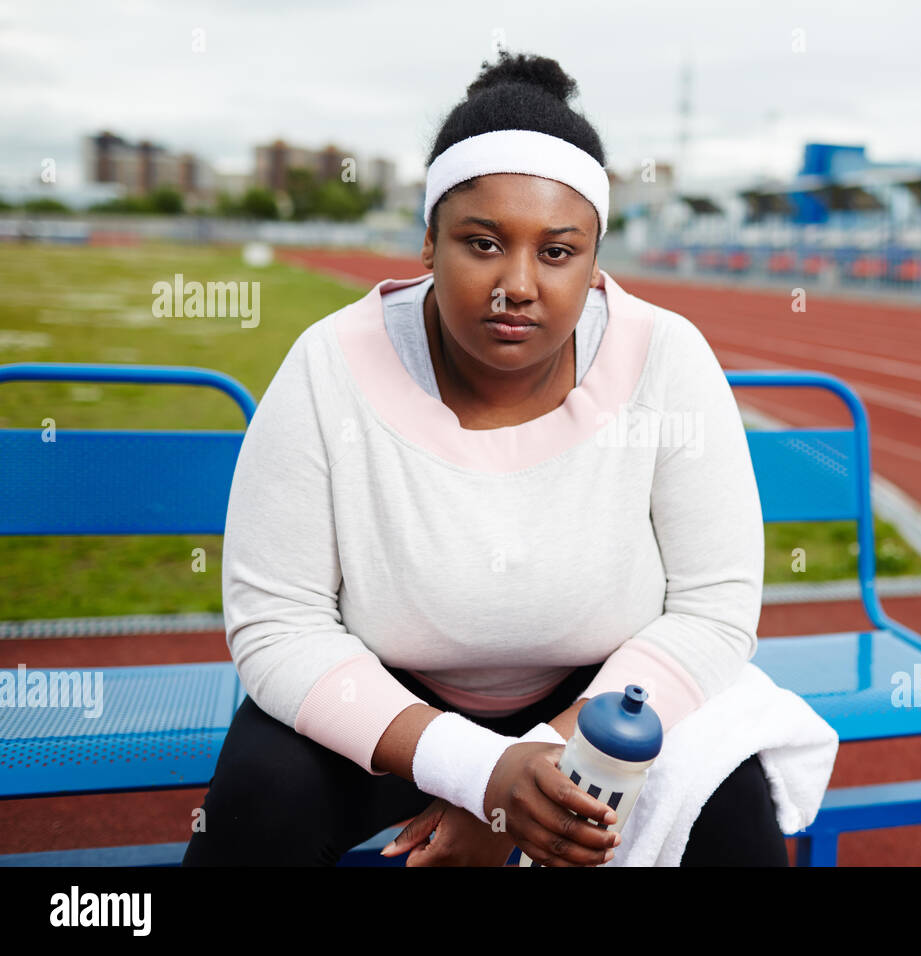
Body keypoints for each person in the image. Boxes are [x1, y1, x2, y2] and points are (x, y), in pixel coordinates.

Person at [182, 49, 797, 868]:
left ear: (594, 259)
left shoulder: (667, 357)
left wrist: (535, 775)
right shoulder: (329, 364)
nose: (518, 284)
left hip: (606, 705)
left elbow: (714, 608)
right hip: (388, 703)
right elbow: (278, 624)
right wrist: (481, 775)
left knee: (732, 816)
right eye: (482, 243)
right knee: (262, 804)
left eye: (557, 251)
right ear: (429, 242)